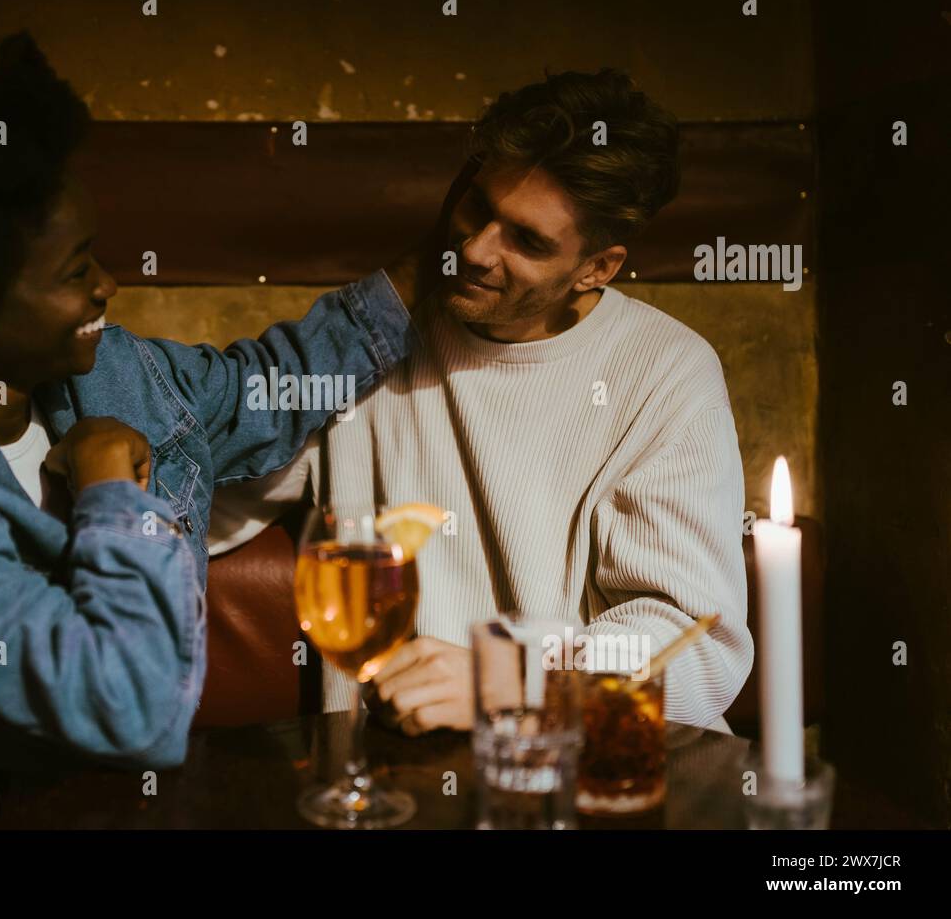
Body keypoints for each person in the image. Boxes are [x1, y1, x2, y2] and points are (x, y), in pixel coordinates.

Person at [0, 29, 430, 828]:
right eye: (76, 269)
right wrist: (112, 490)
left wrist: (435, 268)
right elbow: (130, 710)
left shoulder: (116, 371)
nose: (108, 285)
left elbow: (266, 386)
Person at [211, 69, 754, 737]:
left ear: (598, 268)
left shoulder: (665, 371)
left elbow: (698, 648)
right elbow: (206, 497)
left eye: (527, 241)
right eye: (478, 207)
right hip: (394, 780)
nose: (472, 250)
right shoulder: (373, 344)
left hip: (589, 780)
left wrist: (511, 682)